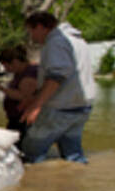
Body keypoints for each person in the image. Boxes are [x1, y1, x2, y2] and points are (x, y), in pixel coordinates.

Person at [19, 11, 95, 164]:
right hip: (82, 106)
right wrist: (34, 97)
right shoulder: (78, 41)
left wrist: (36, 106)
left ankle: (33, 185)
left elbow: (57, 76)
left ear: (40, 27)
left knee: (32, 153)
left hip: (60, 107)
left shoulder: (56, 42)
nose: (32, 37)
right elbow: (70, 76)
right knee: (73, 156)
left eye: (31, 31)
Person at [0, 45, 38, 152]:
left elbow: (23, 96)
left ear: (15, 62)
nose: (6, 69)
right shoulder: (20, 73)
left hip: (23, 120)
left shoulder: (29, 74)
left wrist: (2, 89)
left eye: (6, 66)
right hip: (17, 119)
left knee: (19, 149)